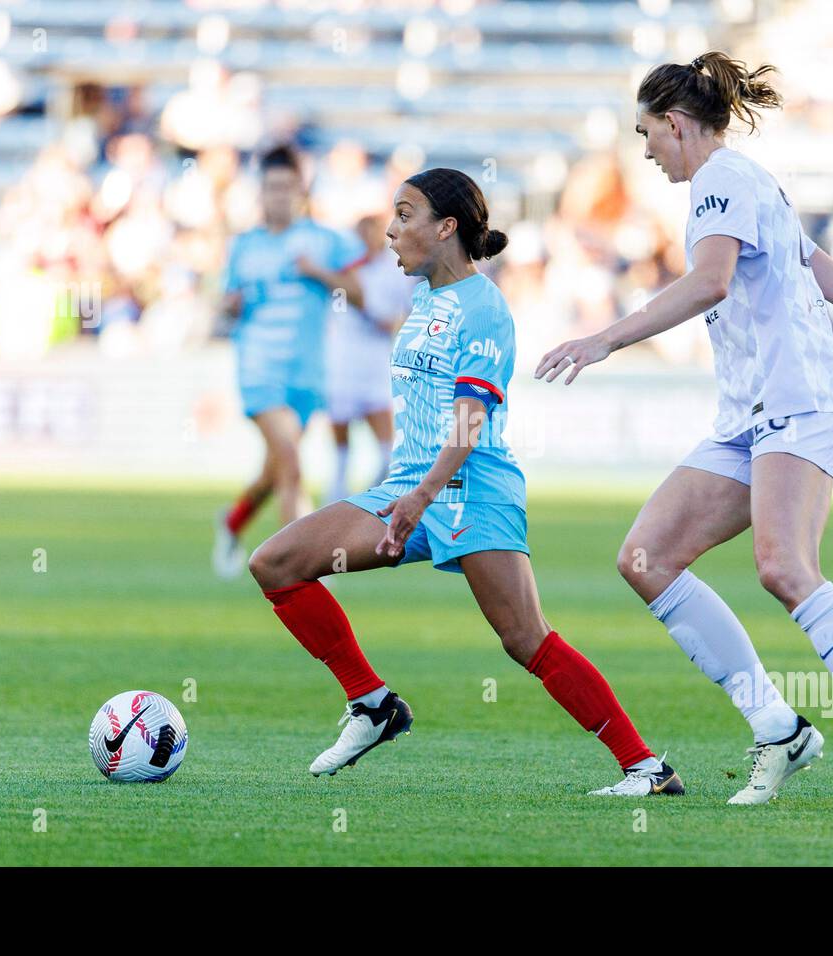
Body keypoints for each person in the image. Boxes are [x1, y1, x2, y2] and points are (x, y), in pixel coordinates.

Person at [536, 52, 833, 813]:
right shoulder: (758, 186)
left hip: (798, 402)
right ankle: (777, 727)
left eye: (648, 132)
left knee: (784, 568)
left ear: (679, 125)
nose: (647, 149)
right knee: (647, 556)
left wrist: (605, 339)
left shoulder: (721, 181)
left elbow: (711, 280)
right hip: (753, 414)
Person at [247, 167, 682, 796]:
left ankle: (645, 767)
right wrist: (411, 492)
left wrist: (422, 495)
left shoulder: (484, 309)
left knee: (525, 640)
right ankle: (372, 705)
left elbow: (470, 418)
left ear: (446, 227)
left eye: (405, 215)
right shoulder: (424, 299)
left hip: (470, 493)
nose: (392, 231)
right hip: (407, 490)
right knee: (276, 563)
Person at [212, 147, 366, 578]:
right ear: (260, 192)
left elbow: (357, 294)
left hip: (306, 372)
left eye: (286, 187)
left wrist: (319, 273)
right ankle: (294, 572)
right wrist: (229, 306)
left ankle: (233, 521)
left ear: (301, 191)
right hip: (259, 366)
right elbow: (223, 310)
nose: (278, 195)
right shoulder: (244, 246)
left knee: (275, 469)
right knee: (292, 462)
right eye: (271, 187)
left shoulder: (326, 241)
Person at [316, 214, 417, 502]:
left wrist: (393, 325)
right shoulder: (346, 270)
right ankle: (334, 510)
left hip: (376, 366)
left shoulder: (395, 271)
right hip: (342, 364)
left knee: (388, 450)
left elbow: (397, 314)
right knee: (340, 451)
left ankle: (371, 500)